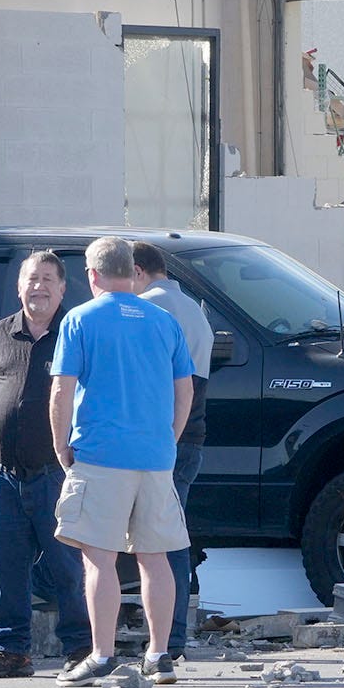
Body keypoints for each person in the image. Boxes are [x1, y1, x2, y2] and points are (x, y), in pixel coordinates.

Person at [49, 236, 195, 687]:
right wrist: (167, 439)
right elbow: (184, 390)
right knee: (157, 558)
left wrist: (61, 446)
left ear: (91, 274)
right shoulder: (163, 320)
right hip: (154, 457)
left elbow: (61, 390)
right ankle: (159, 654)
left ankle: (102, 654)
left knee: (100, 560)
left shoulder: (80, 319)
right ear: (133, 271)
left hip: (101, 455)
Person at [0, 251, 91, 679]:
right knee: (7, 567)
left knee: (66, 567)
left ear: (62, 288)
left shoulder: (76, 331)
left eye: (47, 280)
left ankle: (80, 647)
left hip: (57, 473)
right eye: (31, 279)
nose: (38, 287)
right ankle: (12, 651)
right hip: (4, 475)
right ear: (18, 287)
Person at [128, 241, 212, 660]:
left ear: (138, 272)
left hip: (161, 439)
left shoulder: (151, 311)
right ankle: (171, 636)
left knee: (161, 543)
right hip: (189, 436)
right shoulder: (193, 310)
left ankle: (169, 639)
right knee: (171, 538)